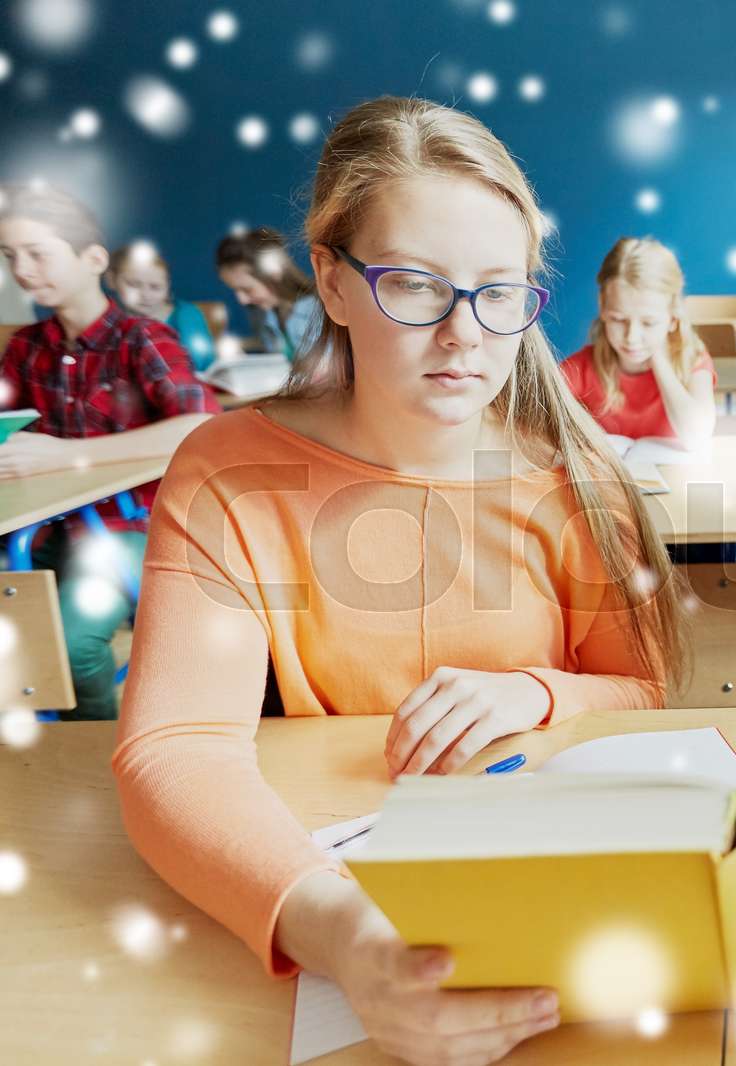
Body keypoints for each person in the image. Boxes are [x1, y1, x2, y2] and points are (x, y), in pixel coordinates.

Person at [114, 97, 688, 1066]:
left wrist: (535, 688)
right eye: (417, 286)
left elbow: (643, 691)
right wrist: (341, 932)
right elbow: (174, 749)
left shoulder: (574, 474)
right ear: (332, 282)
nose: (465, 333)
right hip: (328, 880)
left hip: (552, 898)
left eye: (497, 291)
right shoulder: (229, 470)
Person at [0, 184, 218, 721]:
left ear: (93, 258)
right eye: (10, 257)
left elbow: (201, 424)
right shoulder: (27, 346)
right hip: (43, 527)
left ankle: (88, 747)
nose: (22, 269)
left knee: (72, 648)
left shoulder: (142, 338)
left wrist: (64, 456)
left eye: (38, 253)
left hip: (131, 528)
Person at [560, 236, 716, 446]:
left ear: (673, 318)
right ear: (603, 308)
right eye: (618, 319)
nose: (631, 338)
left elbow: (697, 437)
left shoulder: (692, 360)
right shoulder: (581, 368)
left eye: (649, 323)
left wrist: (659, 360)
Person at [108, 240, 216, 372]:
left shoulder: (186, 316)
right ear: (111, 280)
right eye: (134, 285)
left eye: (155, 287)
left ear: (167, 285)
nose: (145, 295)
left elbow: (198, 366)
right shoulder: (107, 319)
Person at [214, 226, 319, 358]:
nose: (242, 300)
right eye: (235, 290)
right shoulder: (266, 317)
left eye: (247, 289)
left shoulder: (317, 314)